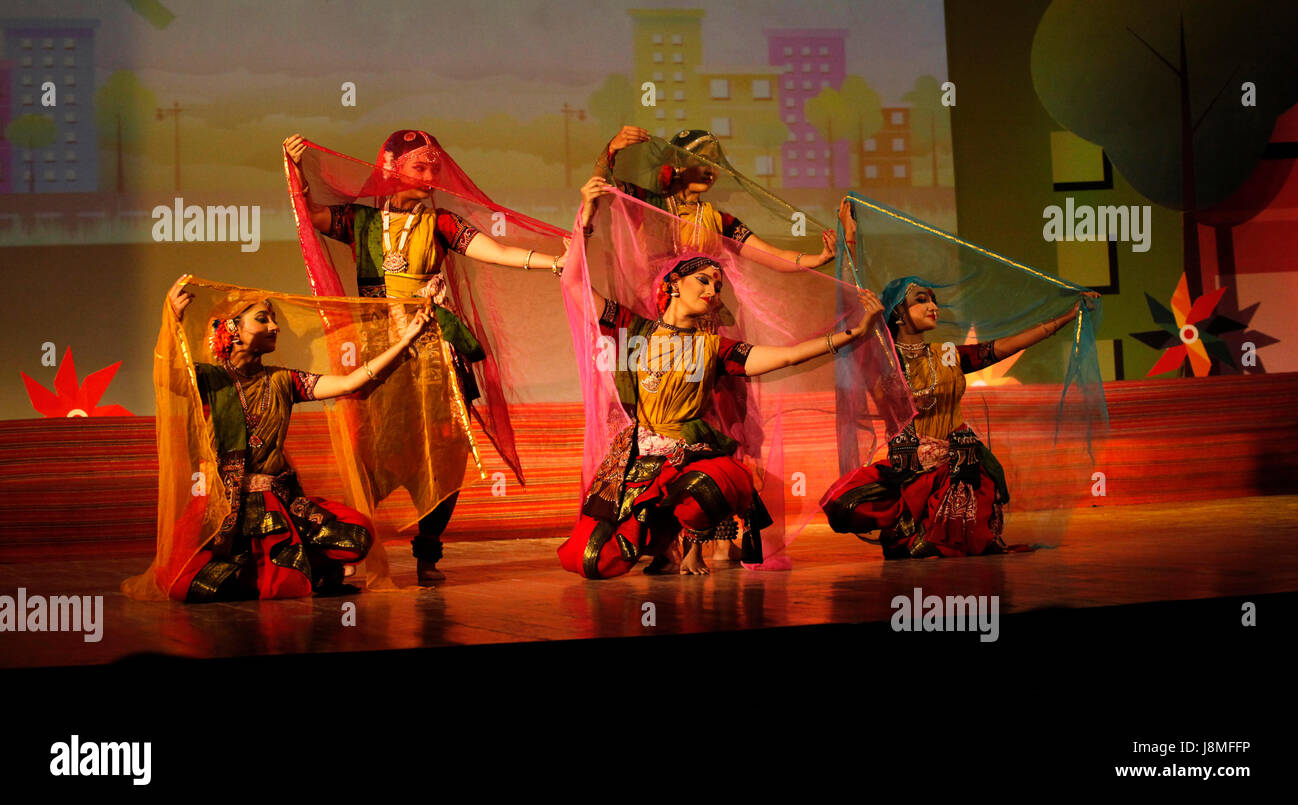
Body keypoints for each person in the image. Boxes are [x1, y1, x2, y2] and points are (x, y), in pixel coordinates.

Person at [557, 178, 885, 577]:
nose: (714, 290)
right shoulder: (632, 329)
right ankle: (656, 539)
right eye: (704, 280)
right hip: (636, 459)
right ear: (673, 285)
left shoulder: (716, 349)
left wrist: (857, 332)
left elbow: (787, 356)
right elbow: (574, 283)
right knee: (590, 560)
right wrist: (586, 216)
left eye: (718, 284)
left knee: (714, 487)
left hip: (687, 453)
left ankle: (685, 535)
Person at [284, 129, 568, 585]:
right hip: (380, 352)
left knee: (445, 450)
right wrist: (295, 172)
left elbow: (495, 251)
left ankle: (427, 554)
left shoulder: (442, 223)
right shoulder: (361, 223)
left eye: (435, 167)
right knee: (372, 449)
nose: (432, 176)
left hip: (435, 352)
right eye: (421, 166)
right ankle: (347, 546)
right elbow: (311, 215)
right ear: (391, 169)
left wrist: (553, 262)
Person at [150, 276, 432, 601]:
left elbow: (351, 383)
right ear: (232, 330)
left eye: (273, 318)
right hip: (226, 506)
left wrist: (406, 339)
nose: (274, 326)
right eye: (262, 319)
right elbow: (168, 375)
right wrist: (171, 319)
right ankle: (301, 571)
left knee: (357, 536)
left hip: (279, 503)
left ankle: (301, 568)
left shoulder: (284, 381)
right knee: (188, 585)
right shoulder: (209, 380)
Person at [820, 277, 1099, 558]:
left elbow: (1006, 346)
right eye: (921, 300)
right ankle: (917, 527)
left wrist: (1068, 316)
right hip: (907, 465)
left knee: (937, 544)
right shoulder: (881, 360)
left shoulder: (948, 355)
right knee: (843, 502)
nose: (933, 307)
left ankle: (937, 531)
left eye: (933, 300)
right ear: (898, 313)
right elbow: (848, 308)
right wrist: (851, 238)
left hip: (957, 464)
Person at [593, 127, 837, 267]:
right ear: (677, 163)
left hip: (702, 324)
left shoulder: (720, 221)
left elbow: (772, 256)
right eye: (703, 161)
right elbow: (600, 186)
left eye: (715, 163)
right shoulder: (648, 204)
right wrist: (612, 148)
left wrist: (820, 257)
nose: (711, 170)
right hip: (653, 315)